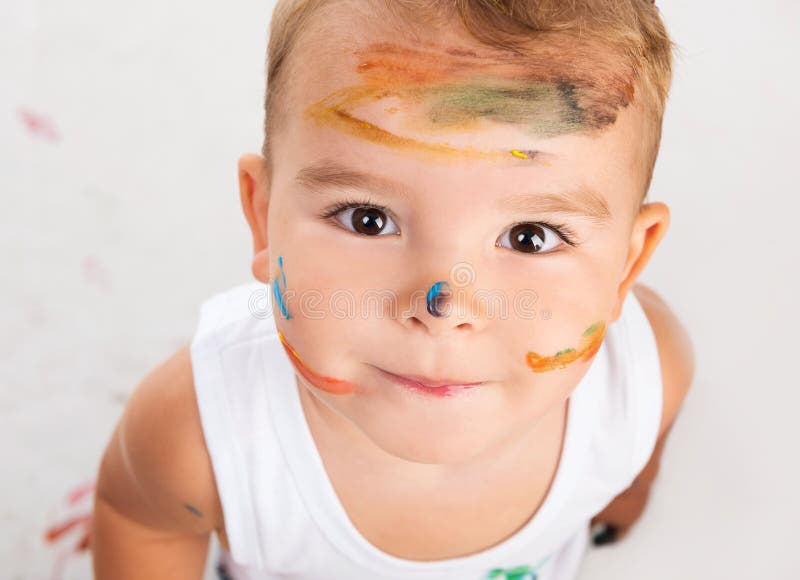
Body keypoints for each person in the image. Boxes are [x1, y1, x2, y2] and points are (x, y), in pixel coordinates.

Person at [91, 1, 696, 578]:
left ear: (627, 263)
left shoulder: (644, 379)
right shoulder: (200, 436)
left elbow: (647, 433)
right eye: (368, 219)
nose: (443, 307)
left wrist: (630, 484)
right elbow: (138, 518)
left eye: (530, 237)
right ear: (263, 216)